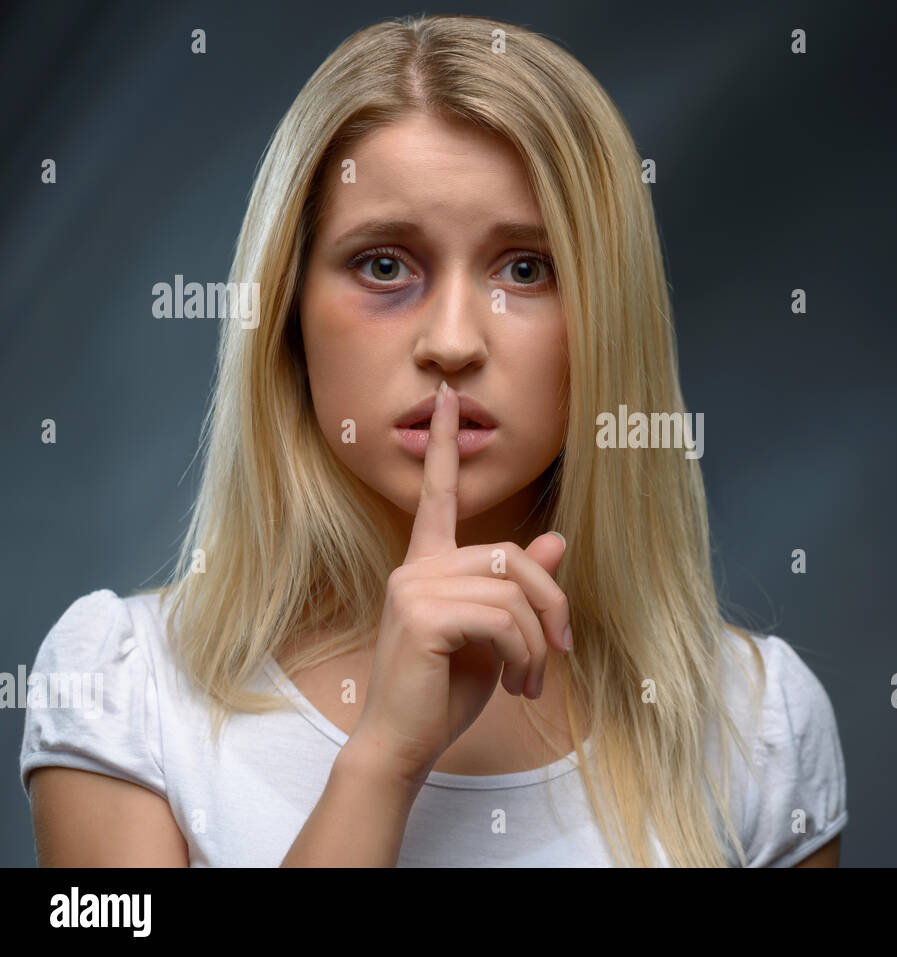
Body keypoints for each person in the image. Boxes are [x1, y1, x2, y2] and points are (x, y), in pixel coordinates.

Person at [20, 13, 847, 867]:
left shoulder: (757, 725)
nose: (453, 341)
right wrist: (382, 760)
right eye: (385, 264)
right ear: (289, 319)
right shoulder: (128, 692)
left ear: (608, 321)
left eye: (526, 268)